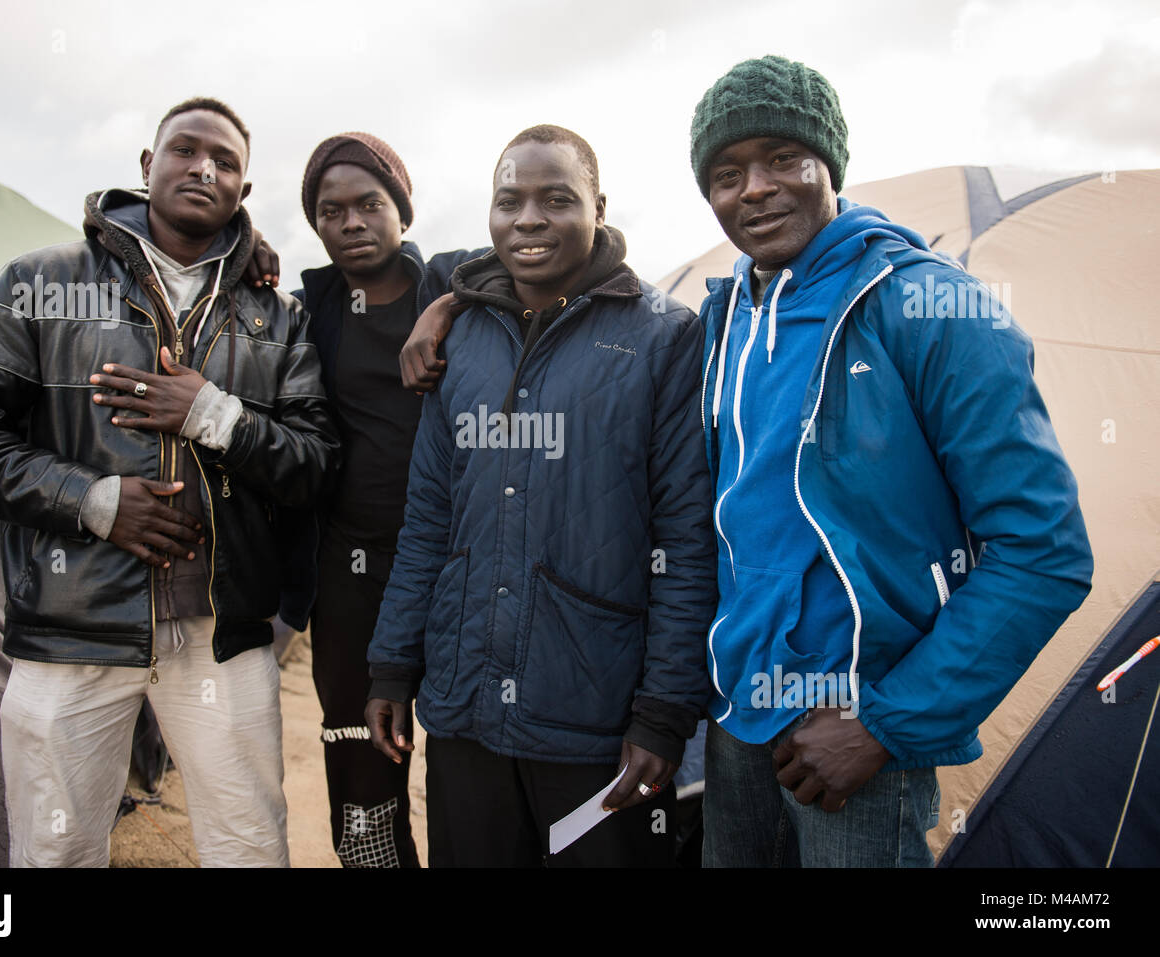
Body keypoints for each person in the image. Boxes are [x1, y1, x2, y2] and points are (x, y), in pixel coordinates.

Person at [686, 55, 1092, 866]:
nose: (754, 187)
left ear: (829, 164)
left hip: (859, 734)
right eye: (727, 173)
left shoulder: (931, 306)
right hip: (738, 722)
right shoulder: (726, 315)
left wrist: (885, 723)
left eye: (782, 158)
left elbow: (1045, 552)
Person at [0, 97, 338, 867]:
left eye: (227, 161)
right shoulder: (41, 280)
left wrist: (213, 414)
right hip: (70, 622)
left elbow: (313, 466)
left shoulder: (277, 318)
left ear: (244, 191)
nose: (204, 167)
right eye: (186, 149)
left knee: (249, 848)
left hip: (223, 633)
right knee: (54, 851)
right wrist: (95, 501)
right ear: (148, 166)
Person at [365, 125, 716, 867]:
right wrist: (393, 662)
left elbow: (685, 541)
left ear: (598, 207)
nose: (528, 218)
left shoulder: (663, 338)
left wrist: (663, 713)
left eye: (556, 199)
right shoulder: (460, 339)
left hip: (595, 715)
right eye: (509, 200)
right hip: (463, 706)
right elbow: (428, 516)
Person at [287, 132, 477, 867]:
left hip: (458, 555)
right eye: (330, 211)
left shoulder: (453, 281)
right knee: (361, 749)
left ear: (402, 208)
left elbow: (548, 264)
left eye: (370, 204)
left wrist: (446, 308)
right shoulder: (314, 307)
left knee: (465, 745)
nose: (351, 222)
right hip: (350, 567)